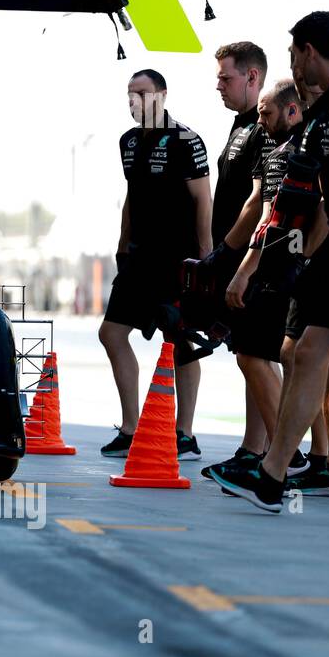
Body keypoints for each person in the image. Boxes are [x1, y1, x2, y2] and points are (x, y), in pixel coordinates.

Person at [213, 11, 329, 510]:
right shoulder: (319, 115)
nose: (291, 64)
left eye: (293, 54)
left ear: (309, 51)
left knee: (311, 354)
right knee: (307, 353)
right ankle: (297, 474)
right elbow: (291, 197)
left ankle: (287, 472)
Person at [98, 69, 210, 459]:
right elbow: (131, 196)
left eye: (142, 93)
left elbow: (203, 201)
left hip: (179, 259)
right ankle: (130, 428)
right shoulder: (127, 142)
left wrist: (206, 258)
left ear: (162, 95)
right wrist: (121, 244)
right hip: (138, 257)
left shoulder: (186, 140)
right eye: (129, 93)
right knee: (111, 334)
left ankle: (185, 435)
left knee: (180, 342)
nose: (134, 100)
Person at [211, 80, 319, 481]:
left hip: (282, 272)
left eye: (266, 113)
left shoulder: (293, 155)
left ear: (293, 111)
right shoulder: (287, 150)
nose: (260, 120)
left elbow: (267, 219)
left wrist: (240, 271)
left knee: (252, 353)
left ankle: (286, 457)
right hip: (296, 270)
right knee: (301, 361)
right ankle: (317, 459)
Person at [205, 42, 278, 461]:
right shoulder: (239, 127)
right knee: (249, 353)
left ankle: (278, 452)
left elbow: (260, 203)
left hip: (254, 259)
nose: (218, 85)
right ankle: (255, 448)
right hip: (233, 257)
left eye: (225, 77)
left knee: (256, 354)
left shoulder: (265, 128)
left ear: (252, 77)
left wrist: (231, 255)